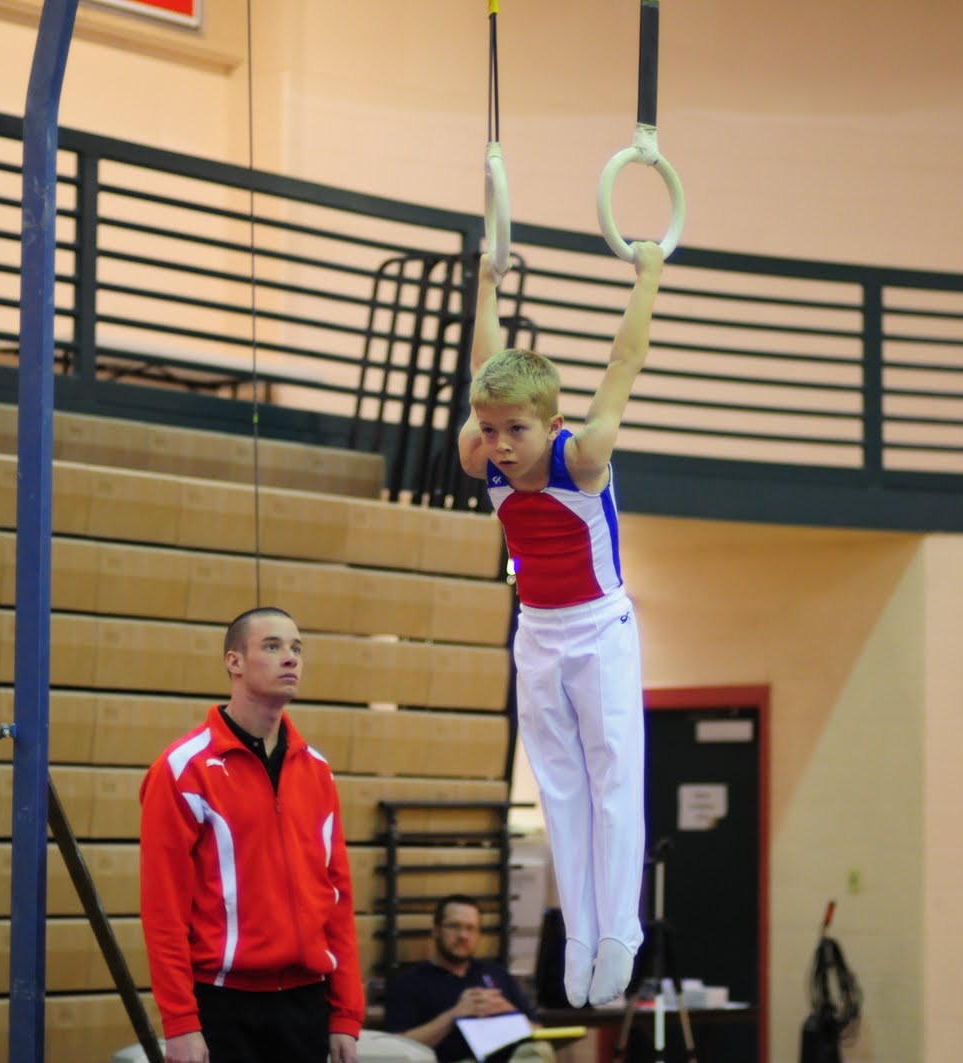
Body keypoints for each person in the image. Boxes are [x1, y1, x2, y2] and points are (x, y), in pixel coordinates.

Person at [456, 242, 665, 1008]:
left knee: (614, 778)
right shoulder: (484, 455)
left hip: (601, 629)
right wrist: (485, 285)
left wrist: (648, 275)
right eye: (489, 428)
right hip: (537, 633)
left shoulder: (584, 457)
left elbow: (625, 362)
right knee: (559, 787)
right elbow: (484, 360)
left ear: (552, 423)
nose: (500, 445)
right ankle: (579, 934)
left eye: (515, 430)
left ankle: (620, 932)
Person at [139, 606, 364, 1063]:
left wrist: (345, 1014)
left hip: (305, 1004)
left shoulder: (317, 771)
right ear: (234, 662)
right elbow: (163, 910)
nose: (291, 658)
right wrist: (180, 1022)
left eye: (297, 648)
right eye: (273, 646)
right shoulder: (183, 770)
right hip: (223, 1006)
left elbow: (337, 900)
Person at [382, 895, 555, 1063]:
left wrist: (508, 1011)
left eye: (471, 928)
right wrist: (455, 1015)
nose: (463, 935)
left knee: (541, 1050)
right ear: (436, 930)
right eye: (455, 926)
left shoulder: (497, 974)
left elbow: (539, 1032)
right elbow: (397, 1048)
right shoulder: (411, 983)